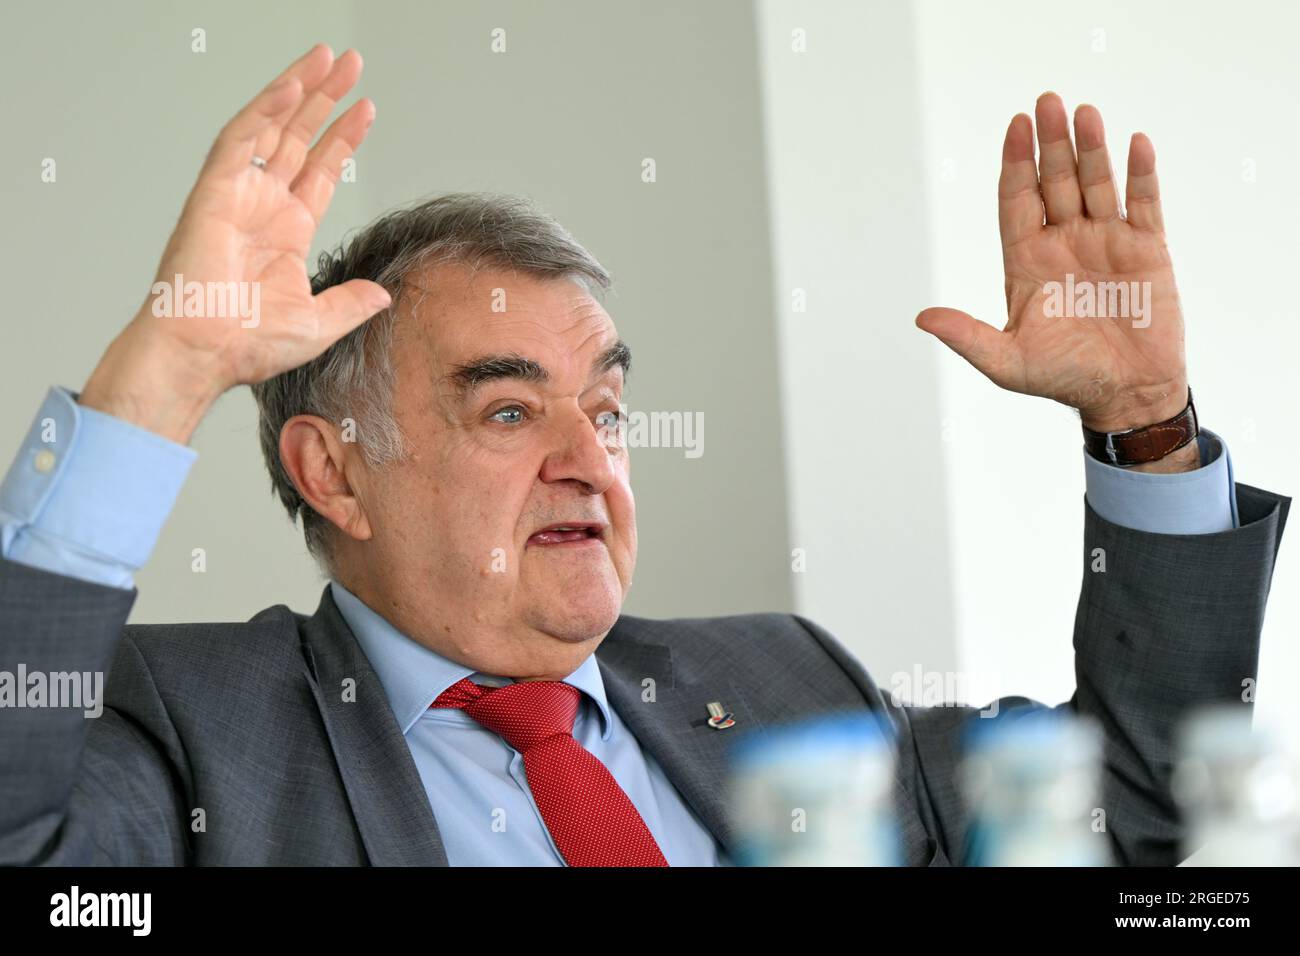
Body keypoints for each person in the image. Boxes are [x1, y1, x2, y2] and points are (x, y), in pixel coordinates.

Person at [0, 44, 1287, 866]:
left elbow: (1138, 807)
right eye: (510, 411)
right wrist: (162, 373)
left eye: (606, 411)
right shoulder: (190, 726)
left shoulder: (786, 679)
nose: (588, 460)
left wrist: (1144, 423)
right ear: (334, 471)